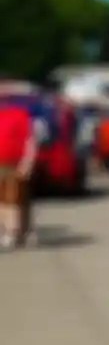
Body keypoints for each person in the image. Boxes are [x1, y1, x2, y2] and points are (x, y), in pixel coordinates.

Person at [0, 90, 37, 249]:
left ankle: (15, 232)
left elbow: (30, 139)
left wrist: (27, 161)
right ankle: (13, 231)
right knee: (5, 201)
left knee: (15, 200)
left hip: (15, 163)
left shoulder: (20, 115)